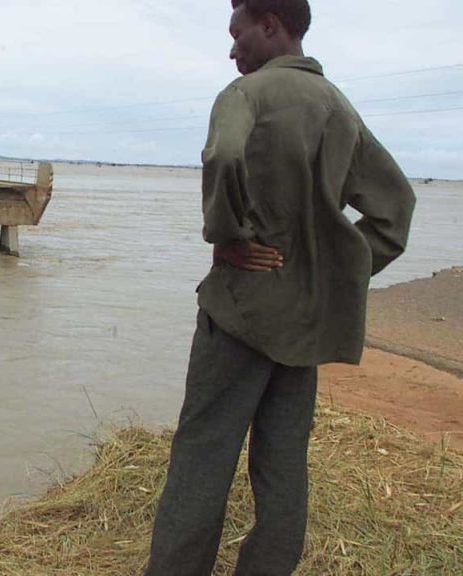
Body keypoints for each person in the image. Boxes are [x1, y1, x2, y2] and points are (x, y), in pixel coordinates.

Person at [144, 1, 416, 575]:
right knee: (283, 463)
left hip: (240, 311)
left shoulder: (245, 95)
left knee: (202, 457)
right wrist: (329, 275)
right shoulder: (338, 107)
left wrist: (225, 236)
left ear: (270, 24)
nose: (232, 48)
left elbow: (222, 154)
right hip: (304, 324)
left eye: (237, 32)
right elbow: (395, 211)